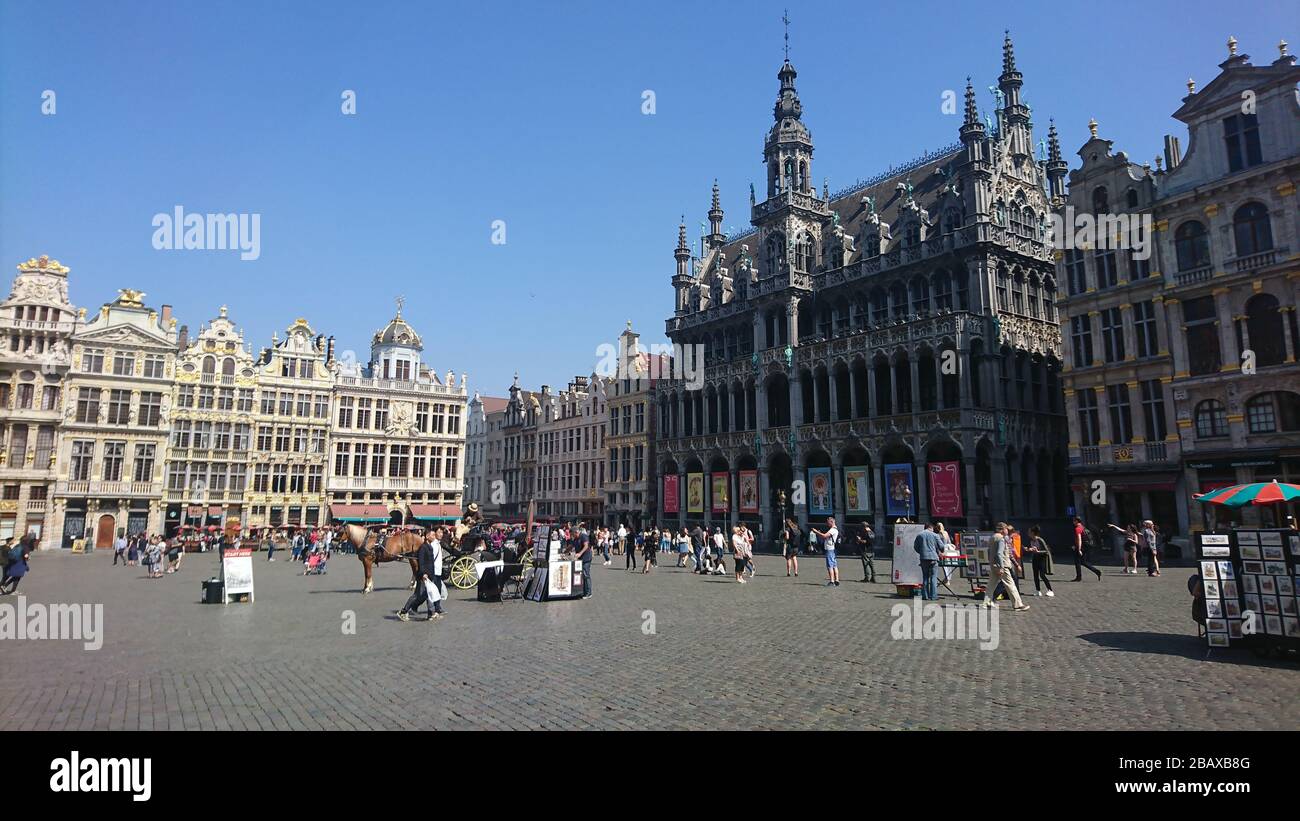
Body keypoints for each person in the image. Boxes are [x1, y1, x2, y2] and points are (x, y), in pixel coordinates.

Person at [398, 526, 445, 622]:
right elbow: (422, 562)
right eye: (432, 535)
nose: (434, 536)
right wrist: (424, 573)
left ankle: (431, 614)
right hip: (424, 576)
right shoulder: (423, 548)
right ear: (427, 536)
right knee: (417, 595)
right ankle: (403, 611)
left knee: (429, 594)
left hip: (429, 575)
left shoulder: (430, 547)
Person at [983, 523, 1030, 611]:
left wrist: (992, 563)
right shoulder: (1001, 539)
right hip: (1003, 565)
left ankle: (987, 602)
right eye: (1005, 529)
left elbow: (989, 552)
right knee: (1010, 584)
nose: (1007, 530)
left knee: (991, 585)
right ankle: (1018, 604)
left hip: (993, 565)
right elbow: (1000, 553)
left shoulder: (992, 537)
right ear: (1002, 529)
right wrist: (1001, 567)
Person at [913, 522, 944, 601]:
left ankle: (925, 596)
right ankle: (933, 596)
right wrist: (941, 551)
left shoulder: (919, 535)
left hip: (923, 558)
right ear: (931, 528)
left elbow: (915, 547)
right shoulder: (935, 535)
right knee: (933, 577)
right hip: (933, 558)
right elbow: (942, 546)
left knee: (925, 577)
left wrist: (922, 552)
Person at [810, 517, 841, 587]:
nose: (827, 524)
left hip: (829, 549)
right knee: (834, 565)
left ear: (832, 522)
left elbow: (824, 536)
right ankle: (837, 580)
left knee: (830, 565)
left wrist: (816, 532)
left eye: (828, 522)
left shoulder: (832, 530)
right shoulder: (835, 529)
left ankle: (832, 581)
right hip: (832, 548)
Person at [1071, 516, 1104, 581]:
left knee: (1077, 561)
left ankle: (1078, 577)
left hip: (1081, 547)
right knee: (1083, 562)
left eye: (1074, 521)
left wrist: (1079, 549)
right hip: (1086, 547)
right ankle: (1096, 571)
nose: (1073, 522)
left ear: (1077, 521)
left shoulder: (1077, 528)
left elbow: (1079, 539)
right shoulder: (1083, 527)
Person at [1025, 525, 1054, 597]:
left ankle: (1050, 590)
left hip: (1041, 559)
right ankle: (1038, 590)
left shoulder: (1040, 540)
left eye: (1029, 532)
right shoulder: (1031, 540)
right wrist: (1029, 549)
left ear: (1032, 532)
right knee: (1035, 575)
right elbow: (1034, 549)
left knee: (1042, 575)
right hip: (1035, 558)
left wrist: (1038, 552)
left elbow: (1046, 551)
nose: (1028, 533)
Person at [575, 521, 592, 598]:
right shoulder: (576, 538)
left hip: (586, 558)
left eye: (573, 534)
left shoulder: (583, 536)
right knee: (582, 575)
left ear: (576, 532)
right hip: (580, 559)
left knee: (586, 575)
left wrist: (580, 553)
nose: (572, 536)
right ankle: (584, 591)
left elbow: (586, 546)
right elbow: (571, 546)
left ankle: (589, 593)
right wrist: (563, 553)